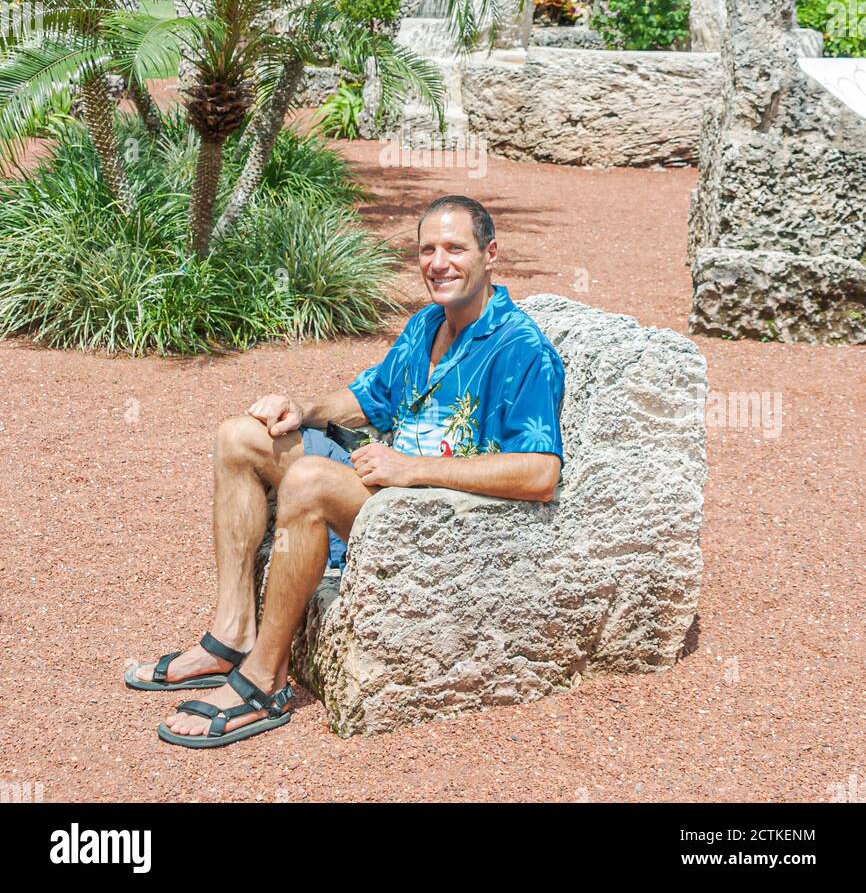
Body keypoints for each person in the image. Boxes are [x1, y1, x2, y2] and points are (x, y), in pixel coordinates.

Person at [125, 194, 565, 747]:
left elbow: (540, 472)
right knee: (239, 437)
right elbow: (366, 399)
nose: (438, 263)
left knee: (309, 480)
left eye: (456, 248)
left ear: (490, 254)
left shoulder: (520, 348)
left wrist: (411, 469)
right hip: (382, 488)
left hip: (438, 518)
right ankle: (231, 635)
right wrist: (301, 410)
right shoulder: (426, 325)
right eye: (427, 249)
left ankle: (266, 680)